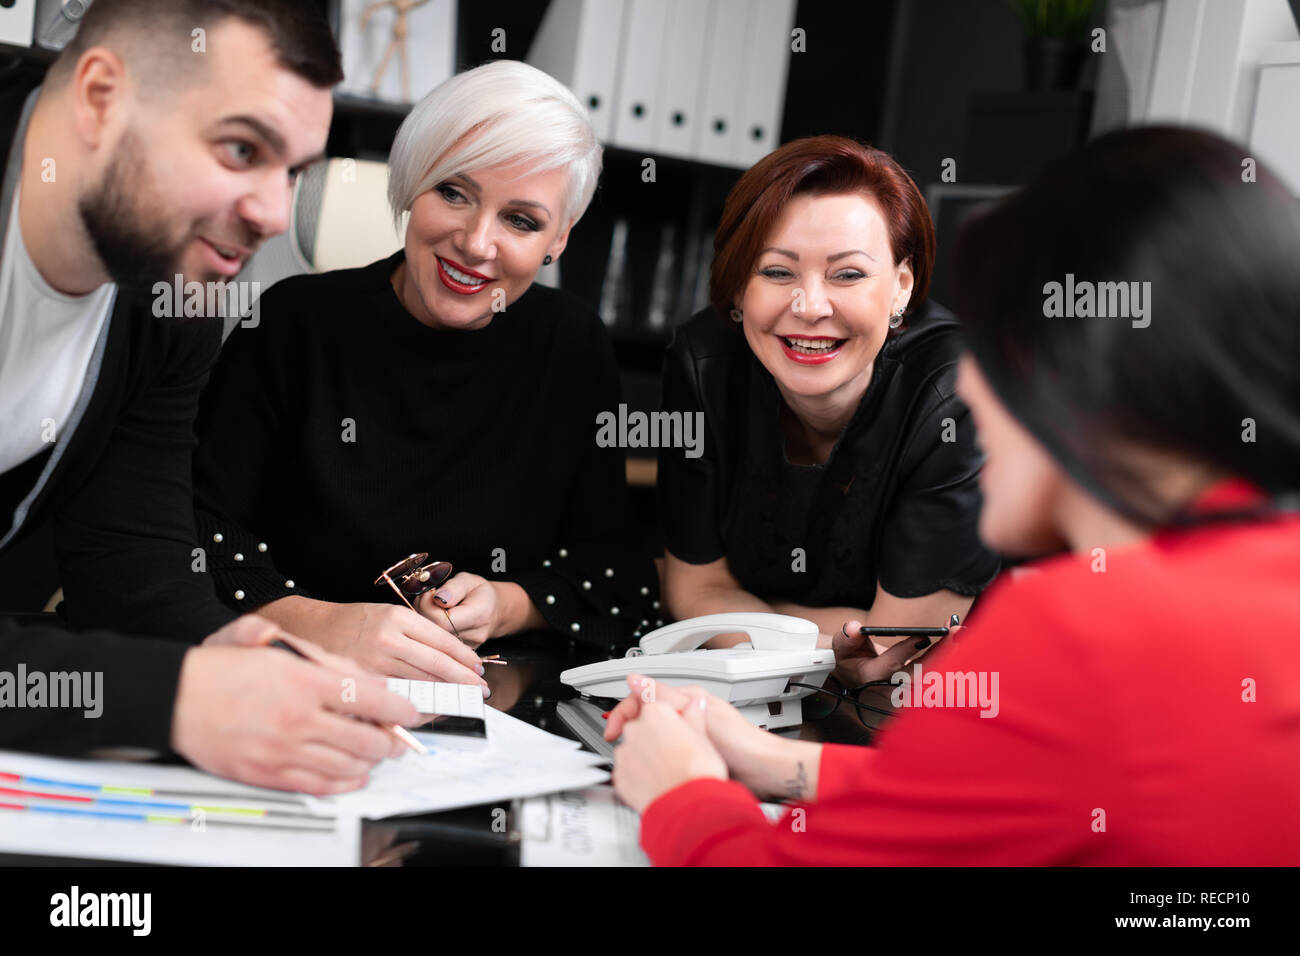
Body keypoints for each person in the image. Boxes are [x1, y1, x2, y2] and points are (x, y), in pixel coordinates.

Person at [606, 126, 1300, 865]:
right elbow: (1008, 790)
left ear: (1079, 374)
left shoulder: (1076, 632)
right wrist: (774, 762)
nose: (967, 381)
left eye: (993, 349)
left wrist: (681, 792)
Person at [0, 0, 419, 794]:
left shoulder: (174, 295)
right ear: (100, 97)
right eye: (240, 149)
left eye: (293, 171)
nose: (273, 214)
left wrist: (249, 661)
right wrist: (170, 698)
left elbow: (133, 564)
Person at [192, 60, 659, 684]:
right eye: (454, 193)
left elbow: (614, 572)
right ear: (413, 184)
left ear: (559, 239)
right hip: (288, 677)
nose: (476, 243)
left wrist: (505, 603)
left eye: (521, 220)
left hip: (481, 696)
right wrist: (313, 623)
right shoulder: (293, 321)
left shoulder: (573, 345)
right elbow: (193, 530)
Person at [656, 135, 999, 682]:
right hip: (769, 692)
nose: (810, 306)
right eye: (776, 271)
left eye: (848, 274)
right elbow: (693, 589)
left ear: (901, 287)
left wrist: (743, 621)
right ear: (738, 288)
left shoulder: (957, 393)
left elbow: (899, 647)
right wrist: (826, 646)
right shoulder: (704, 364)